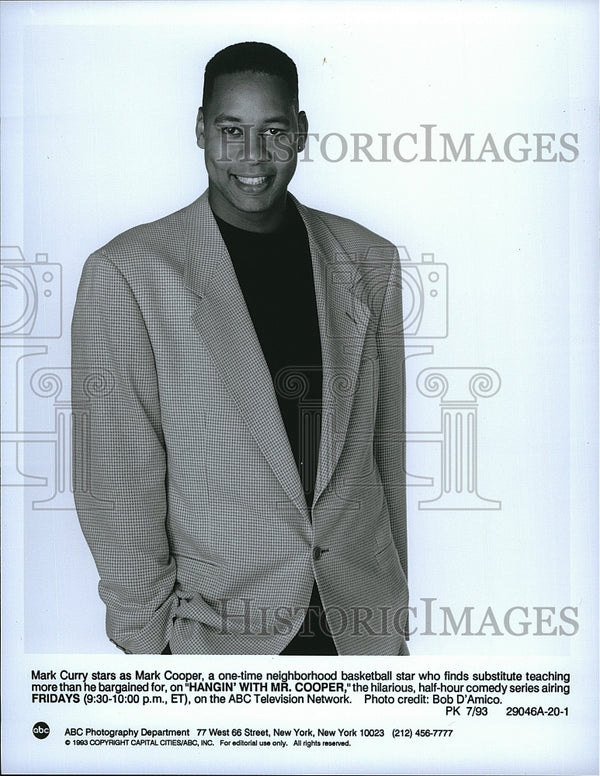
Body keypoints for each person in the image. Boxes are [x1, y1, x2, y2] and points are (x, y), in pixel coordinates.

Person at [72, 41, 408, 655]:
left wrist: (394, 613)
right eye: (231, 131)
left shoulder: (368, 260)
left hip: (360, 628)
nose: (252, 155)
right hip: (215, 637)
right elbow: (115, 478)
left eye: (273, 131)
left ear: (300, 132)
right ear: (201, 129)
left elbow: (384, 455)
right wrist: (149, 644)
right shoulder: (130, 273)